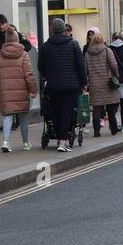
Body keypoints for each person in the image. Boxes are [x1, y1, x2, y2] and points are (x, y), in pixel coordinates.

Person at [38, 18, 85, 154]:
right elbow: (80, 66)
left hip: (53, 85)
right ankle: (62, 141)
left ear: (52, 30)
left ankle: (60, 138)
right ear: (64, 30)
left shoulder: (45, 47)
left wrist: (49, 76)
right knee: (67, 112)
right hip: (71, 86)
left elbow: (41, 66)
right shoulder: (73, 44)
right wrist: (83, 83)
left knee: (55, 112)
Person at [0, 26, 37, 152]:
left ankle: (6, 142)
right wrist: (33, 89)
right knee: (23, 117)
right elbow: (29, 74)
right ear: (17, 39)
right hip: (21, 90)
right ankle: (25, 143)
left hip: (6, 91)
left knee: (7, 117)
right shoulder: (23, 55)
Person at [85, 32, 120, 136]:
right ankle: (113, 130)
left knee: (96, 108)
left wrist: (86, 82)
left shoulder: (87, 53)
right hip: (107, 82)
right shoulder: (107, 50)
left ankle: (96, 132)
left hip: (94, 84)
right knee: (110, 107)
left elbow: (85, 70)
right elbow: (114, 65)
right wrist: (116, 75)